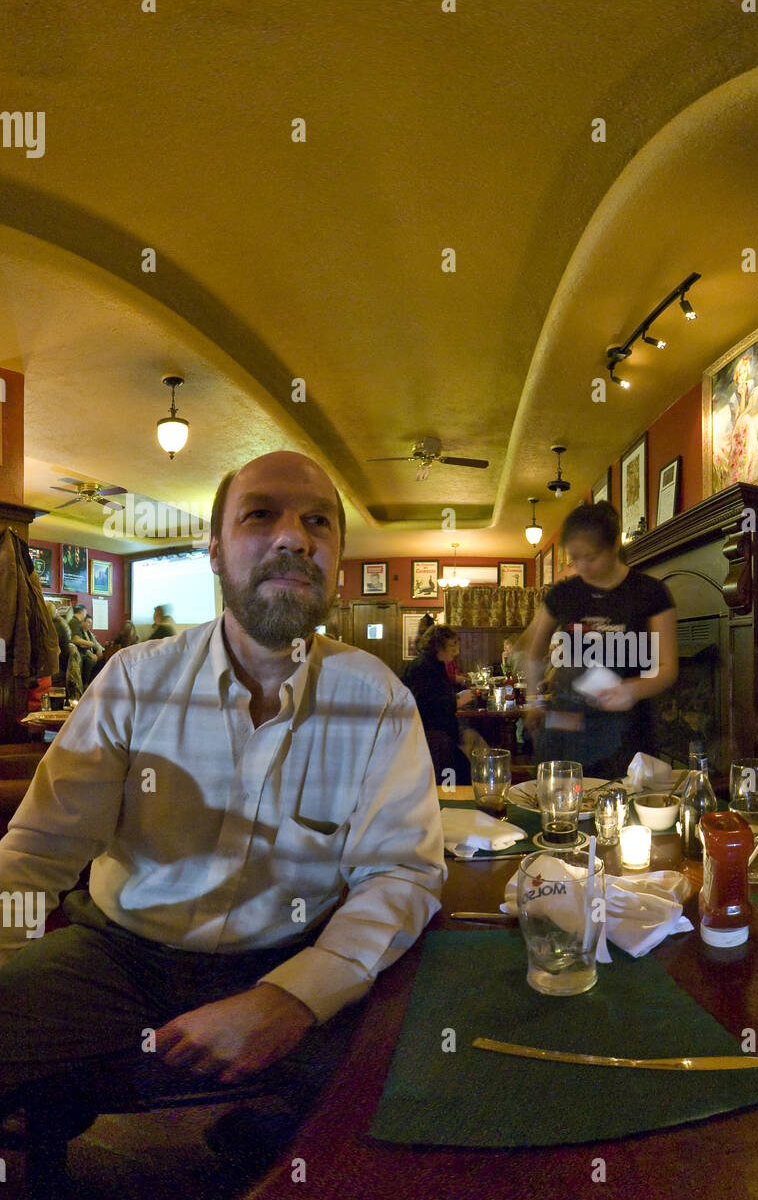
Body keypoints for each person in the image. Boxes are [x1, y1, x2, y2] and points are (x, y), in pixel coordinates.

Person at [0, 451, 445, 1161]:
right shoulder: (135, 680)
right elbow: (37, 853)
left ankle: (260, 1141)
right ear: (214, 550)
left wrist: (293, 997)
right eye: (260, 514)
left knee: (422, 1080)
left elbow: (401, 872)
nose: (293, 537)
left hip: (285, 953)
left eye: (317, 522)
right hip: (116, 957)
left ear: (336, 556)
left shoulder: (379, 699)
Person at [515, 502, 679, 782]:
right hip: (566, 723)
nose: (582, 567)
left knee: (621, 801)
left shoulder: (651, 593)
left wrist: (630, 690)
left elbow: (668, 668)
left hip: (626, 728)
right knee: (560, 800)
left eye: (590, 557)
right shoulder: (563, 594)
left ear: (614, 545)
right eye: (574, 558)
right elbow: (533, 652)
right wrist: (534, 701)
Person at [400, 624, 472, 784]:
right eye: (453, 645)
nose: (456, 651)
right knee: (455, 775)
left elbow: (436, 695)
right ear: (438, 645)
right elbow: (423, 705)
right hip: (430, 738)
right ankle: (448, 797)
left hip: (439, 736)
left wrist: (455, 697)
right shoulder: (422, 667)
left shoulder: (434, 664)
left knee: (464, 766)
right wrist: (457, 701)